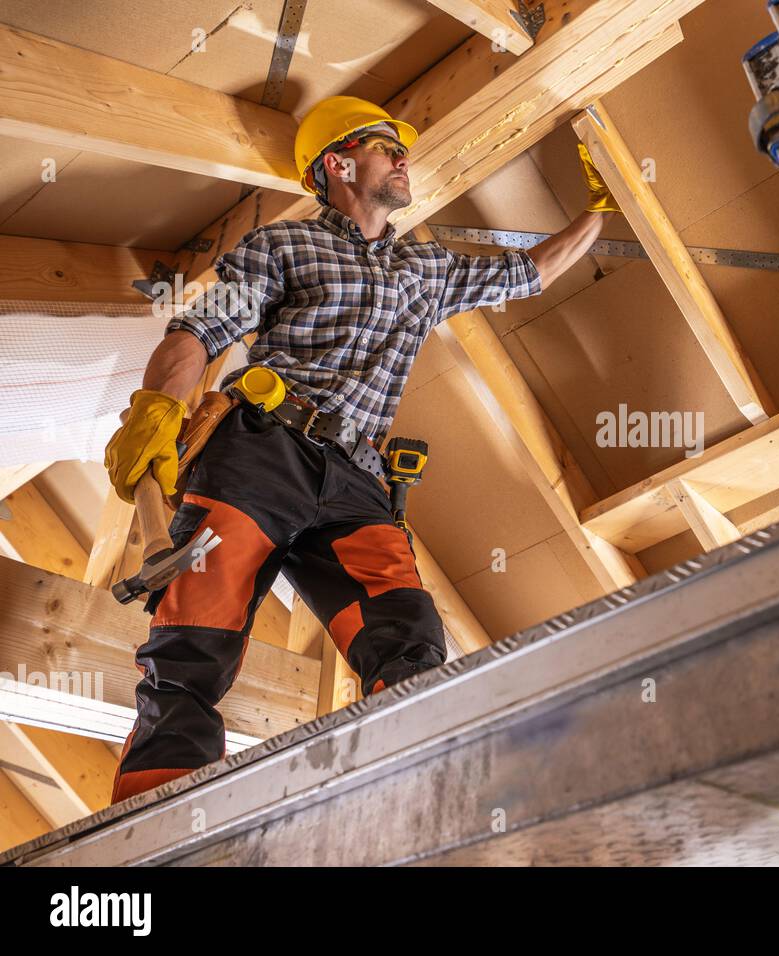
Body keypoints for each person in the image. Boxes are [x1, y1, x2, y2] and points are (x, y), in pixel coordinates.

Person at [102, 95, 620, 803]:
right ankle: (152, 820)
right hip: (260, 452)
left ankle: (412, 792)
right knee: (195, 638)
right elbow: (200, 332)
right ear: (339, 164)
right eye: (386, 146)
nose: (405, 158)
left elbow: (531, 272)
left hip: (358, 478)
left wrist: (599, 208)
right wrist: (159, 408)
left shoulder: (426, 270)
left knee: (409, 639)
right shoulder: (283, 247)